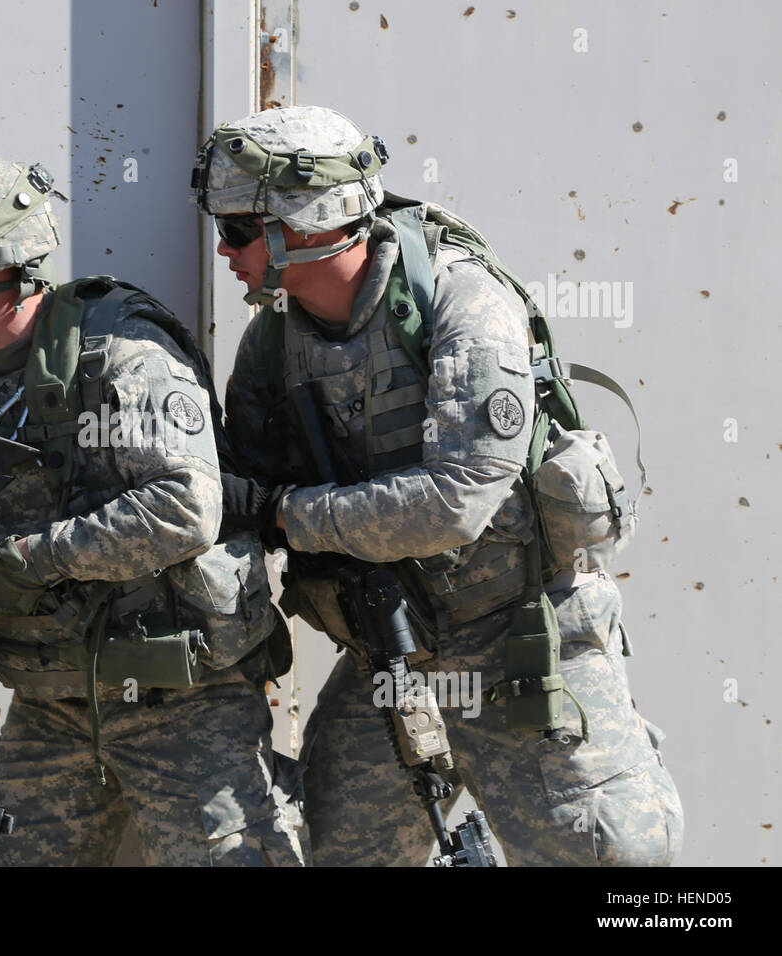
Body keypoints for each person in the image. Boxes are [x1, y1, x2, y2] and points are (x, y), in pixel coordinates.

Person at [192, 105, 683, 866]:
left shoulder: (460, 303)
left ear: (305, 222)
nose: (224, 250)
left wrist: (292, 515)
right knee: (342, 851)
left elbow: (455, 501)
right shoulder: (273, 344)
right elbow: (241, 499)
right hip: (389, 652)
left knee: (614, 857)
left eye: (238, 229)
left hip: (516, 638)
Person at [0, 151, 303, 865]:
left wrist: (27, 561)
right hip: (52, 711)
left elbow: (185, 508)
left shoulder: (121, 353)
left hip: (182, 703)